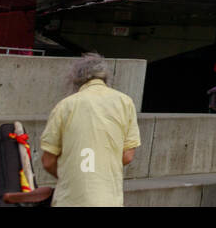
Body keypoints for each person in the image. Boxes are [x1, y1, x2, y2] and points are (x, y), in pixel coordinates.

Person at [39, 54, 141, 207]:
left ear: (76, 80)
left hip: (70, 199)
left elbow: (48, 161)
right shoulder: (125, 102)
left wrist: (73, 175)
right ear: (105, 77)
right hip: (109, 200)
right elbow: (127, 156)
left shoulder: (65, 106)